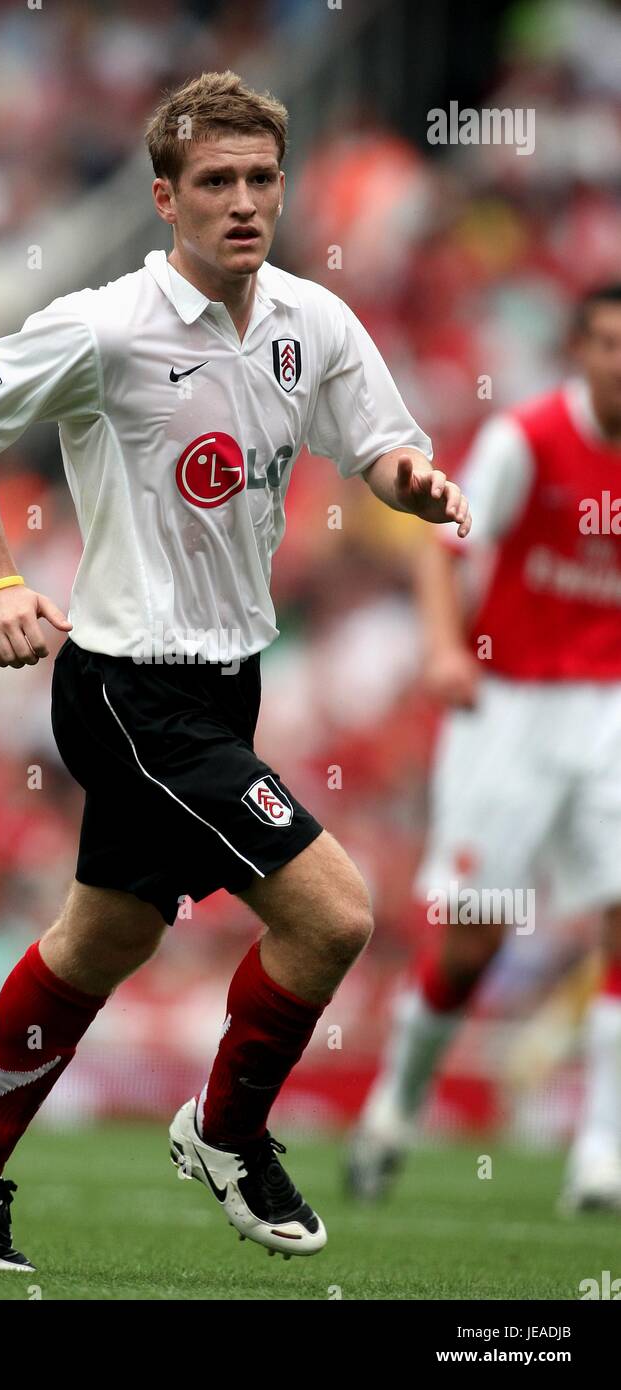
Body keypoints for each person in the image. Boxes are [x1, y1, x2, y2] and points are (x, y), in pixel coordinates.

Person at [0, 70, 470, 1271]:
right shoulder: (105, 324)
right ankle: (225, 1132)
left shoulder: (310, 321)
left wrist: (405, 479)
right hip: (125, 688)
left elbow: (383, 443)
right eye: (215, 181)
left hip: (223, 684)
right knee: (332, 919)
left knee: (100, 941)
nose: (244, 201)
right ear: (165, 197)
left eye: (262, 178)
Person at [348, 285, 621, 1212]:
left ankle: (600, 1153)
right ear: (578, 351)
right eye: (606, 343)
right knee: (471, 943)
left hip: (610, 709)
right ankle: (397, 1102)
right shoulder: (527, 440)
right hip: (509, 708)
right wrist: (440, 647)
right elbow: (442, 542)